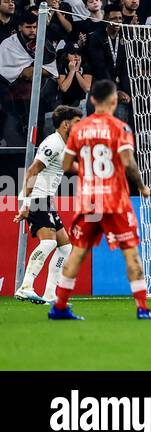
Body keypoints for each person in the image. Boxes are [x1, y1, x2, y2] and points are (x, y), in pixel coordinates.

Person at [48, 79, 151, 321]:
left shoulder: (79, 129)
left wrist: (87, 171)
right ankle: (142, 308)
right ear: (114, 101)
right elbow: (128, 162)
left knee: (77, 252)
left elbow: (66, 166)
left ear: (93, 100)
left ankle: (60, 306)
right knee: (130, 252)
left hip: (89, 201)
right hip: (115, 201)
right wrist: (141, 186)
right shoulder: (120, 128)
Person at [13, 106, 82, 304]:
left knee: (65, 247)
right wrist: (25, 204)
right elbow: (32, 171)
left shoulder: (64, 144)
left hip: (45, 199)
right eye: (77, 122)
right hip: (35, 198)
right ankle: (26, 286)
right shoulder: (53, 143)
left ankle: (50, 293)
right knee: (49, 242)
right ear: (66, 124)